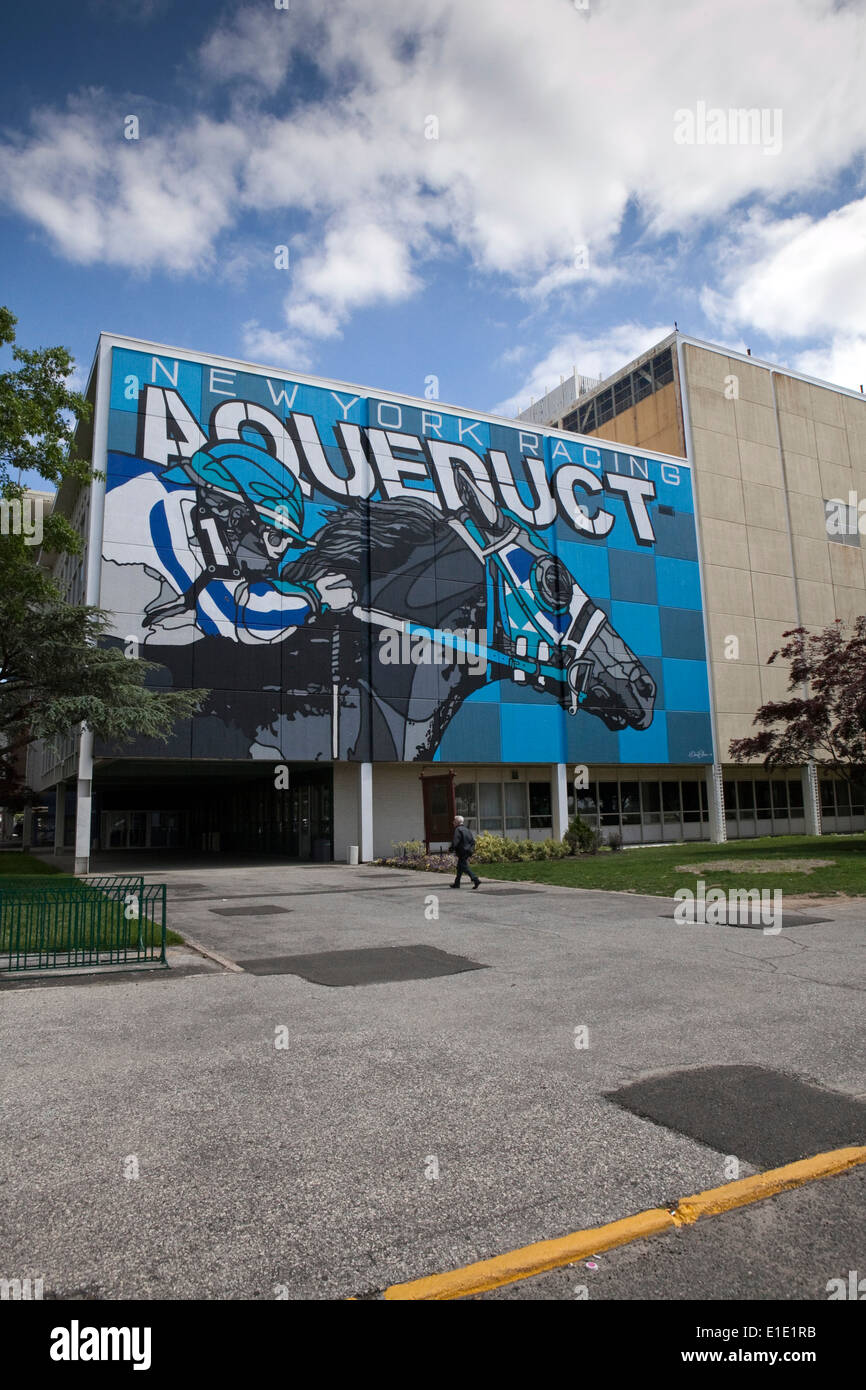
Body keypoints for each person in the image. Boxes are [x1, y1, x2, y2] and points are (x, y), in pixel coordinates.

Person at [450, 815, 480, 889]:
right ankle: (457, 883)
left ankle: (475, 879)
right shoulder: (467, 829)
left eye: (454, 821)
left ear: (457, 822)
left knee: (464, 867)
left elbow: (455, 841)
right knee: (460, 867)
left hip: (462, 851)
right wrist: (471, 849)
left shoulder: (458, 830)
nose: (453, 822)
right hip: (468, 851)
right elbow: (472, 841)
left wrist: (451, 848)